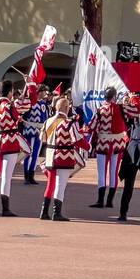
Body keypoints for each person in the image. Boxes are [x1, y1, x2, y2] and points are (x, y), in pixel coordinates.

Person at [0, 80, 32, 217]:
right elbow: (29, 104)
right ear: (10, 92)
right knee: (6, 176)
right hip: (9, 142)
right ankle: (5, 208)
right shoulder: (11, 105)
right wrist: (30, 85)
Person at [88, 86, 138, 210]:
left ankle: (100, 200)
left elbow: (91, 127)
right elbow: (138, 110)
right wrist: (133, 97)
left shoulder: (100, 110)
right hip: (118, 144)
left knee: (101, 173)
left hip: (103, 144)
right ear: (114, 96)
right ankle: (109, 201)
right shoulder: (122, 107)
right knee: (113, 172)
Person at [40, 93, 86, 221]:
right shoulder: (68, 122)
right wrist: (88, 146)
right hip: (64, 156)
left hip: (50, 155)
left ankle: (44, 211)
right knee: (61, 185)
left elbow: (42, 138)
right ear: (66, 108)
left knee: (50, 184)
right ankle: (57, 213)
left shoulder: (48, 121)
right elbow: (77, 140)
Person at [19, 82, 51, 185]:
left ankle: (31, 175)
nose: (45, 94)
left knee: (35, 155)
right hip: (30, 130)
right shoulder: (30, 103)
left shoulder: (43, 104)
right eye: (44, 91)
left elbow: (46, 117)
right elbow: (24, 115)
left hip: (39, 132)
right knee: (29, 153)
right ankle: (26, 175)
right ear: (39, 92)